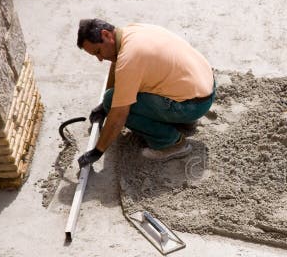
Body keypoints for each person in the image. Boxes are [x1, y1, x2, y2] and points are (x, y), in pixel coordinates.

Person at [75, 19, 216, 166]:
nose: (100, 59)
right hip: (205, 87)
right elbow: (116, 63)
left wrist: (97, 151)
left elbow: (118, 115)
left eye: (98, 52)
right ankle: (185, 122)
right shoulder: (131, 31)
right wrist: (102, 106)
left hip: (192, 106)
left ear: (106, 35)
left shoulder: (129, 59)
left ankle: (172, 143)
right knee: (114, 98)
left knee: (114, 102)